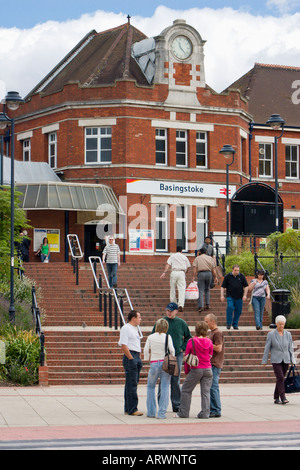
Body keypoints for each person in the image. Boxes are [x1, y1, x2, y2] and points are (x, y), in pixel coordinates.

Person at [152, 302, 192, 412]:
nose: (169, 312)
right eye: (167, 310)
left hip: (177, 354)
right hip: (163, 353)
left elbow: (188, 337)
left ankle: (177, 404)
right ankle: (161, 402)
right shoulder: (161, 322)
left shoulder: (181, 323)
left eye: (171, 311)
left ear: (176, 311)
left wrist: (182, 347)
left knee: (175, 379)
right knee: (163, 378)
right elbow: (153, 335)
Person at [175, 321, 213, 419]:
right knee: (206, 392)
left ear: (196, 330)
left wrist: (187, 371)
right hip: (208, 368)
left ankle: (184, 412)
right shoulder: (209, 341)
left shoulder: (192, 341)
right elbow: (210, 354)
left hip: (196, 369)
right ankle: (205, 413)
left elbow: (187, 357)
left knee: (186, 390)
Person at [144, 318, 175, 419]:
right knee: (165, 387)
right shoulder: (167, 337)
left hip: (154, 363)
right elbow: (172, 350)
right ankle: (161, 413)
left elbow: (145, 350)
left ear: (156, 326)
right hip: (165, 363)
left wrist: (146, 358)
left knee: (150, 386)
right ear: (166, 327)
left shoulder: (151, 337)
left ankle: (151, 412)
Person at [262, 315, 296, 405]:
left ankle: (276, 397)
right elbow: (267, 348)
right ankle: (283, 397)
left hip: (286, 359)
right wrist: (264, 360)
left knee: (280, 379)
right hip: (276, 359)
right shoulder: (271, 334)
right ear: (276, 324)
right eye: (280, 324)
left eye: (283, 324)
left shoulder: (288, 334)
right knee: (280, 377)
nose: (281, 326)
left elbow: (290, 348)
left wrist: (293, 361)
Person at [118, 310, 143, 416]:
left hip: (136, 355)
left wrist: (139, 357)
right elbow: (124, 345)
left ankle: (128, 407)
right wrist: (131, 358)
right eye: (139, 317)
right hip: (131, 356)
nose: (140, 319)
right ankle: (133, 408)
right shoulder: (126, 328)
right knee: (132, 383)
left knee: (132, 383)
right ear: (133, 318)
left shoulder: (135, 329)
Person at [205, 313, 225, 418]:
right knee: (211, 386)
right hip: (212, 362)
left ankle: (216, 409)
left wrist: (206, 343)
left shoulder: (217, 333)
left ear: (213, 321)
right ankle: (213, 408)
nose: (205, 323)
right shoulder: (212, 332)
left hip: (215, 363)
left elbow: (218, 348)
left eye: (206, 321)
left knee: (213, 386)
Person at [160, 246, 191, 312]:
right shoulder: (184, 257)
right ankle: (181, 305)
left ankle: (174, 303)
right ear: (181, 251)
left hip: (173, 272)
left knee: (172, 288)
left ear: (175, 250)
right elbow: (188, 266)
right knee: (182, 289)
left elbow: (168, 264)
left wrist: (164, 272)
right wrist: (185, 272)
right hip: (181, 273)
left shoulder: (172, 256)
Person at [221, 264, 248, 330]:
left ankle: (235, 324)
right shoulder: (228, 276)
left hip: (239, 296)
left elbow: (246, 286)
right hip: (230, 296)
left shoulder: (241, 276)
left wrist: (245, 295)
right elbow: (223, 287)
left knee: (238, 311)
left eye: (238, 270)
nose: (237, 272)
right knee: (230, 307)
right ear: (232, 270)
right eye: (235, 270)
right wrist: (222, 295)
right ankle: (228, 323)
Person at [192, 248, 218, 312]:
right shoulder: (210, 258)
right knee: (207, 289)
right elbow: (214, 270)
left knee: (200, 290)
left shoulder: (197, 258)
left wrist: (193, 277)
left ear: (200, 252)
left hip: (201, 273)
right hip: (209, 273)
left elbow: (195, 268)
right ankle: (207, 304)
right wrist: (215, 277)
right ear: (206, 252)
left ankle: (201, 306)